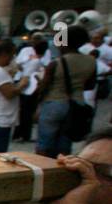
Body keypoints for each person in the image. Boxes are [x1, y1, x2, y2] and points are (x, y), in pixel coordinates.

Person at [35, 25, 97, 157]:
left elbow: (44, 88)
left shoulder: (56, 63)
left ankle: (42, 167)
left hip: (54, 102)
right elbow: (90, 85)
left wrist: (38, 105)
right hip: (76, 103)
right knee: (65, 144)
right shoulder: (91, 61)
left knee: (44, 143)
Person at [13, 35, 47, 143]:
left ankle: (20, 134)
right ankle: (23, 134)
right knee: (27, 112)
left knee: (24, 111)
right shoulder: (37, 61)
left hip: (26, 86)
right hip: (31, 88)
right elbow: (33, 74)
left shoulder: (34, 60)